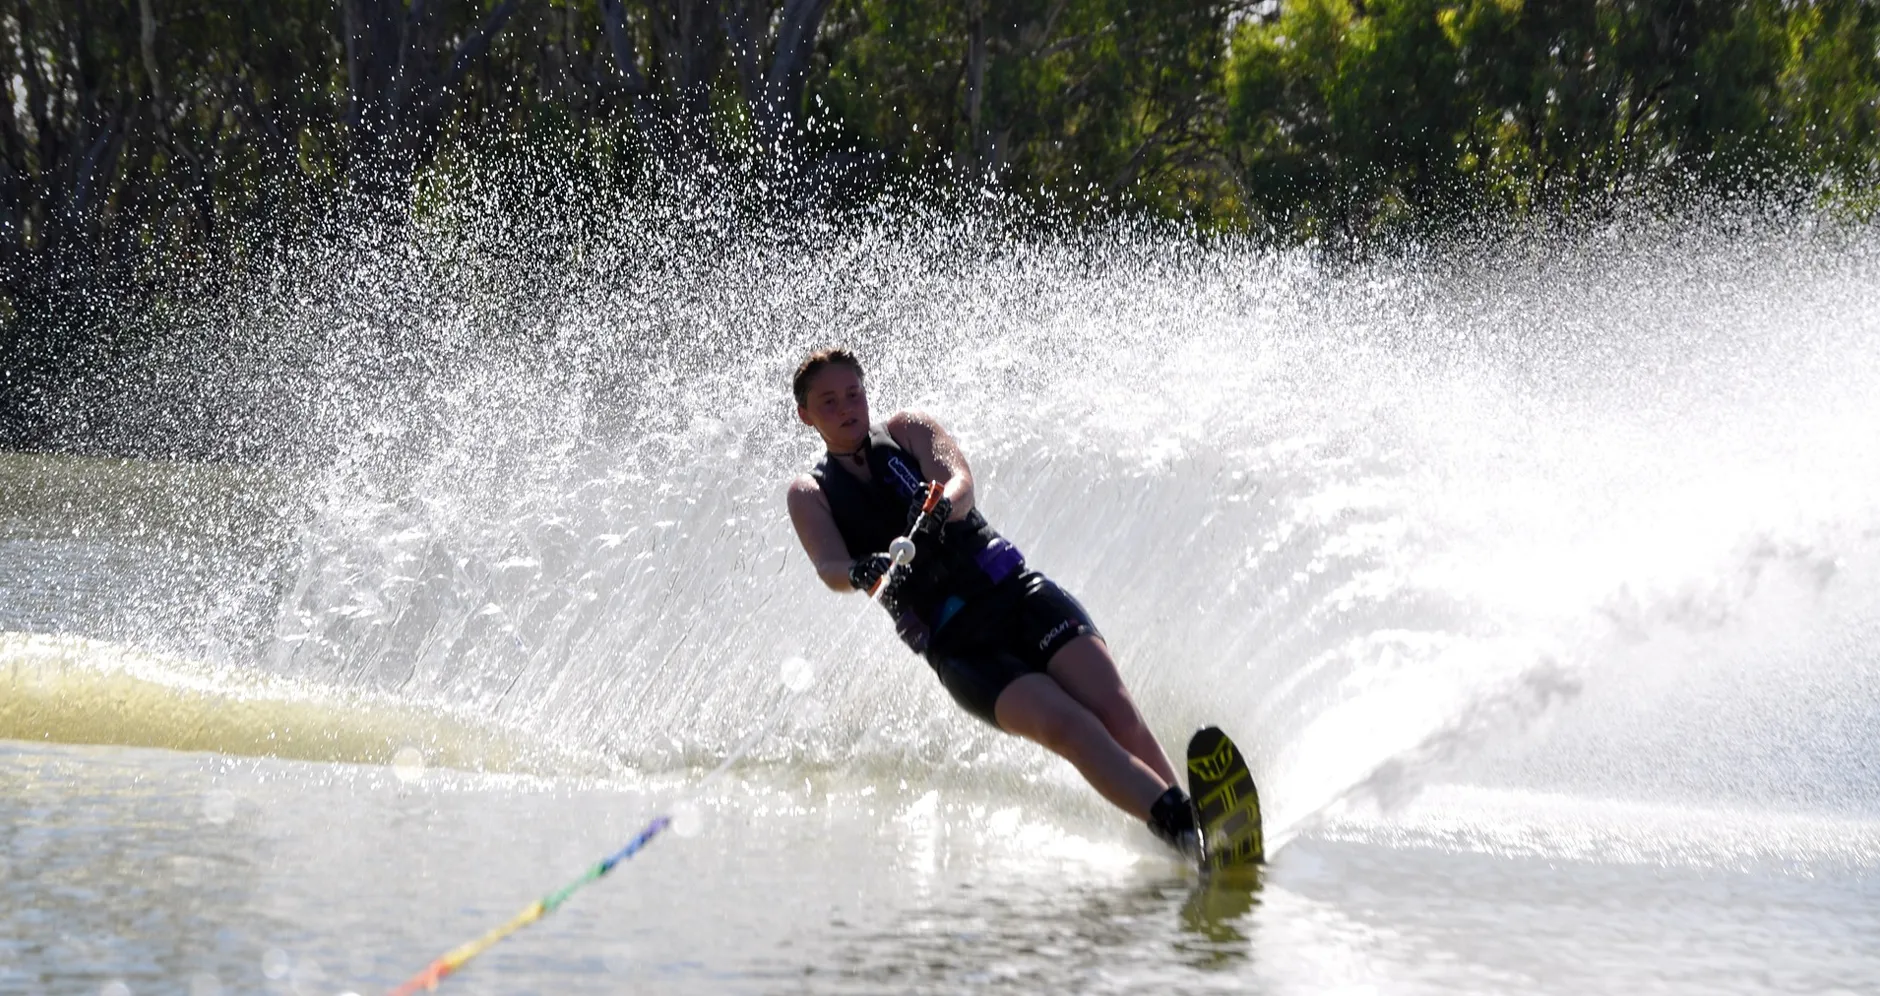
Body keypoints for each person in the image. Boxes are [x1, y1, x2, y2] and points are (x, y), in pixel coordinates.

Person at [784, 347, 1201, 856]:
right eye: (828, 402)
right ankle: (1181, 826)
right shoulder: (810, 492)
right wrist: (857, 570)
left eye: (853, 393)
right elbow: (829, 567)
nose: (846, 407)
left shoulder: (908, 430)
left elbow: (960, 481)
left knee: (1115, 711)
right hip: (959, 646)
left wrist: (942, 505)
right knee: (1068, 726)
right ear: (806, 416)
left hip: (1018, 595)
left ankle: (1188, 824)